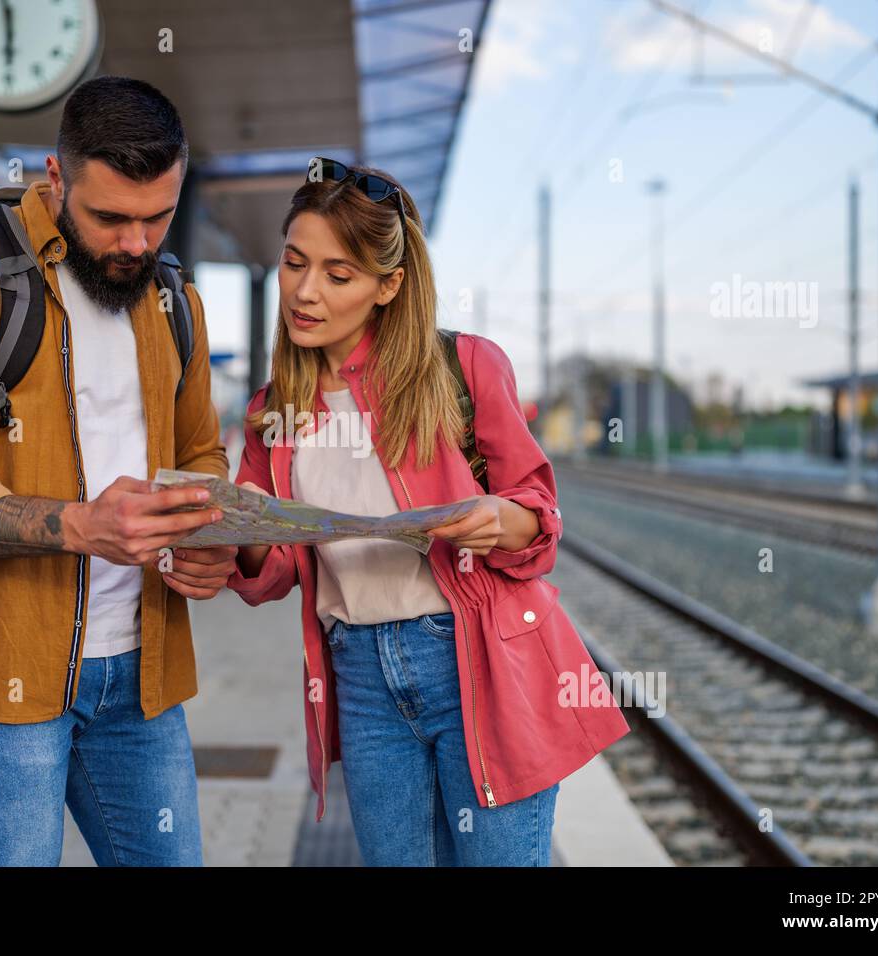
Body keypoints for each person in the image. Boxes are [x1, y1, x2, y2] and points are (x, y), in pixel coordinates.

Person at [227, 158, 630, 866]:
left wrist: (499, 520)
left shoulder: (466, 369)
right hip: (357, 674)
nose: (305, 291)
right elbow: (266, 578)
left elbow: (539, 521)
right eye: (294, 263)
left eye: (338, 274)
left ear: (389, 286)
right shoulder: (272, 410)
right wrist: (250, 527)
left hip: (474, 659)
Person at [0, 76, 237, 866]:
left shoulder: (175, 299)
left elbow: (200, 455)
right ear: (55, 177)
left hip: (139, 677)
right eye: (110, 218)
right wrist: (79, 525)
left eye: (157, 218)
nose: (136, 244)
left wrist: (205, 535)